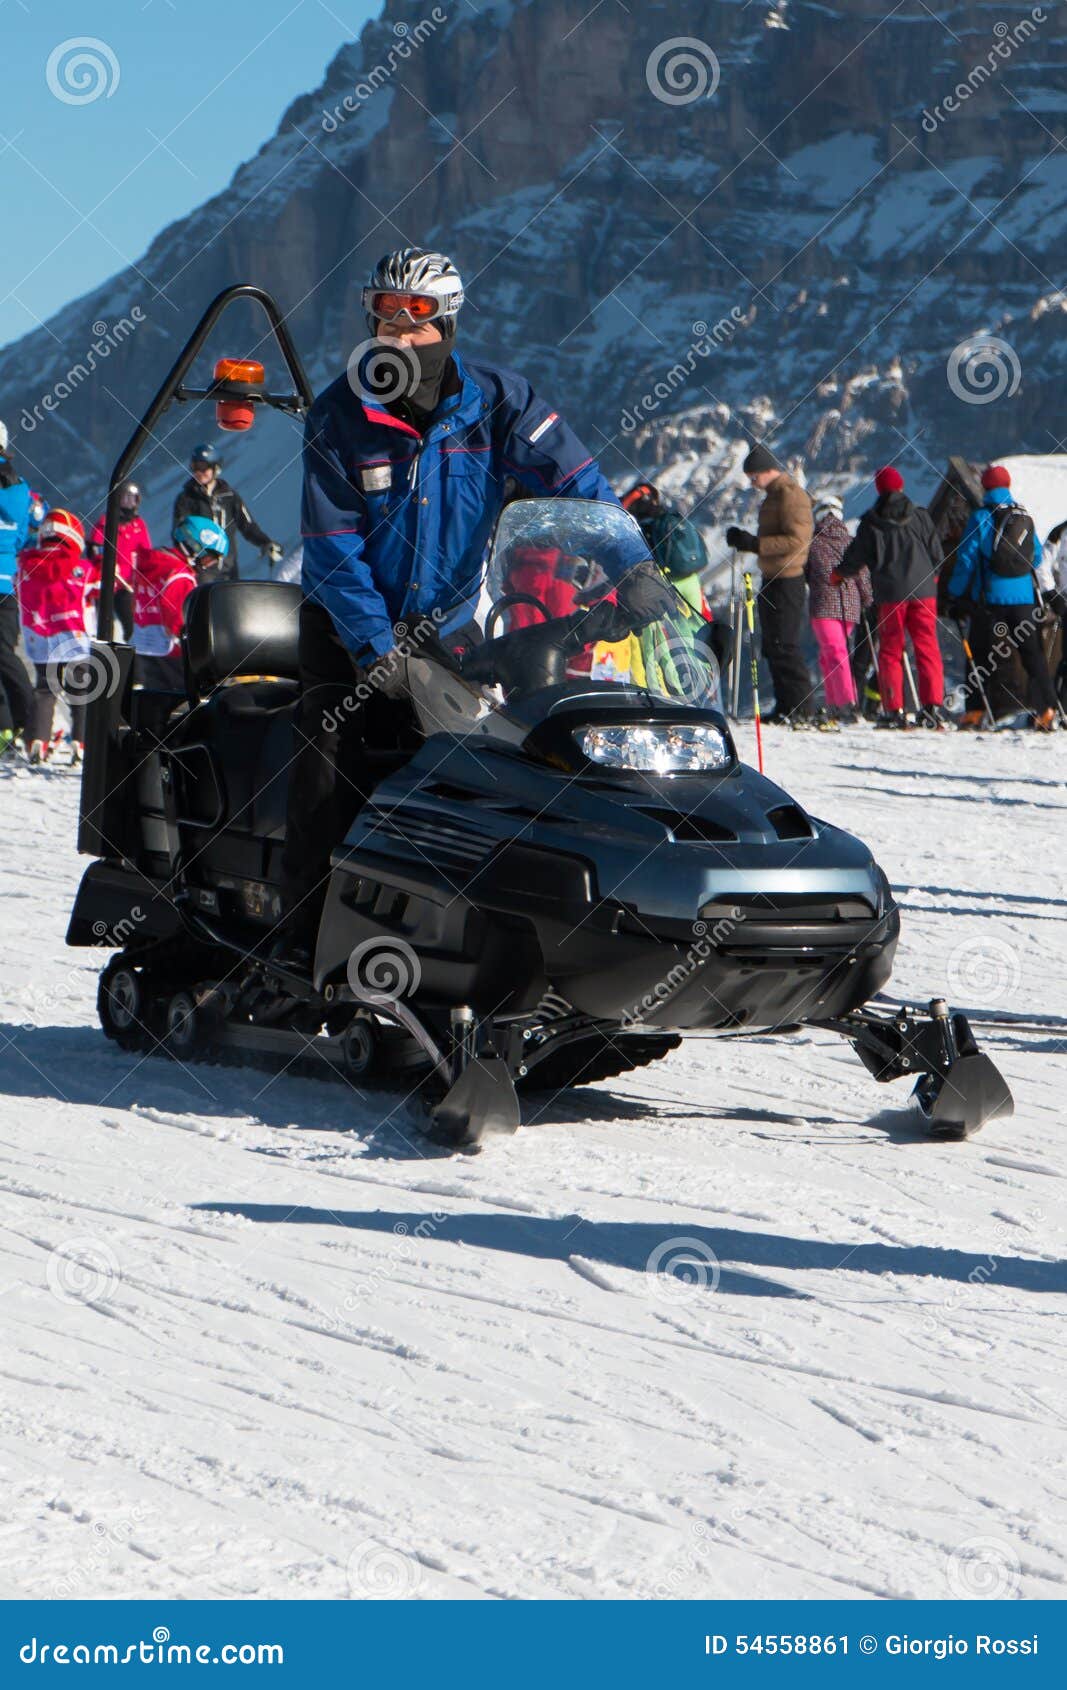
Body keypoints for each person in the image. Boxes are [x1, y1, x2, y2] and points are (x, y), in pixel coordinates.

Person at [280, 245, 628, 957]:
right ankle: (300, 946)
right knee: (334, 761)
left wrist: (633, 563)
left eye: (417, 320)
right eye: (385, 317)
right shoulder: (339, 416)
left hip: (450, 629)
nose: (400, 335)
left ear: (448, 324)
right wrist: (376, 651)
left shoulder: (501, 404)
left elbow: (577, 487)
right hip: (348, 631)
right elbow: (333, 546)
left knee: (501, 765)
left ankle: (485, 939)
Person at [947, 464, 1057, 731]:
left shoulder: (982, 517)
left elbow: (967, 559)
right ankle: (1047, 710)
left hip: (990, 602)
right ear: (1007, 487)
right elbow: (1037, 557)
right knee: (1033, 655)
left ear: (985, 488)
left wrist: (955, 593)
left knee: (980, 654)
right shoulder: (1023, 516)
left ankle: (974, 712)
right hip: (1023, 601)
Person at [838, 465, 946, 729]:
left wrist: (839, 574)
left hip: (891, 594)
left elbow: (856, 557)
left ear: (879, 489)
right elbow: (936, 554)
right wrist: (932, 579)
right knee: (927, 647)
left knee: (890, 650)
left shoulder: (871, 521)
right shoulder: (920, 516)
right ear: (900, 486)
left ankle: (894, 709)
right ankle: (932, 707)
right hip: (924, 592)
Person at [726, 443, 814, 724]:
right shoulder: (774, 496)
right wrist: (748, 541)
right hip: (773, 576)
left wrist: (755, 544)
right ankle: (785, 705)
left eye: (754, 476)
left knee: (785, 643)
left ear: (767, 471)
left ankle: (802, 707)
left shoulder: (791, 496)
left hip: (788, 580)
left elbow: (797, 540)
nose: (752, 483)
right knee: (773, 644)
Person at [16, 509, 95, 765]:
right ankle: (81, 743)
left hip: (38, 640)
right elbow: (104, 587)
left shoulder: (27, 567)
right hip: (73, 639)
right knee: (79, 692)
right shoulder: (80, 568)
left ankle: (38, 742)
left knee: (45, 691)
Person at [132, 515, 227, 691]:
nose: (207, 566)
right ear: (193, 546)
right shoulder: (180, 576)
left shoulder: (149, 565)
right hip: (172, 657)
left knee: (151, 701)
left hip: (143, 649)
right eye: (208, 558)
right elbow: (179, 623)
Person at [805, 492, 871, 724]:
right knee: (835, 652)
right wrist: (867, 599)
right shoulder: (850, 541)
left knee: (832, 653)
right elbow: (862, 573)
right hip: (849, 606)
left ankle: (844, 703)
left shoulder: (813, 544)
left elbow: (806, 574)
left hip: (823, 605)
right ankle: (839, 703)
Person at [173, 444, 281, 581]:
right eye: (195, 467)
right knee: (206, 601)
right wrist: (200, 555)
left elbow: (247, 525)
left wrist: (266, 543)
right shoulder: (186, 499)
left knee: (232, 601)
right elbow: (179, 532)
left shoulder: (229, 497)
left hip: (229, 569)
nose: (199, 472)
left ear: (215, 468)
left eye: (203, 467)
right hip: (202, 570)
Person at [0, 422, 35, 753]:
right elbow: (23, 535)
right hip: (6, 580)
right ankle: (14, 724)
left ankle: (24, 719)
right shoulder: (20, 487)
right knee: (4, 655)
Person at [88, 480, 151, 642]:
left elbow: (146, 554)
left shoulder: (138, 525)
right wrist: (105, 565)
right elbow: (94, 551)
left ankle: (134, 655)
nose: (129, 504)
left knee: (131, 624)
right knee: (105, 626)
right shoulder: (105, 525)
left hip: (128, 585)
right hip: (107, 584)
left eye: (133, 499)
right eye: (125, 499)